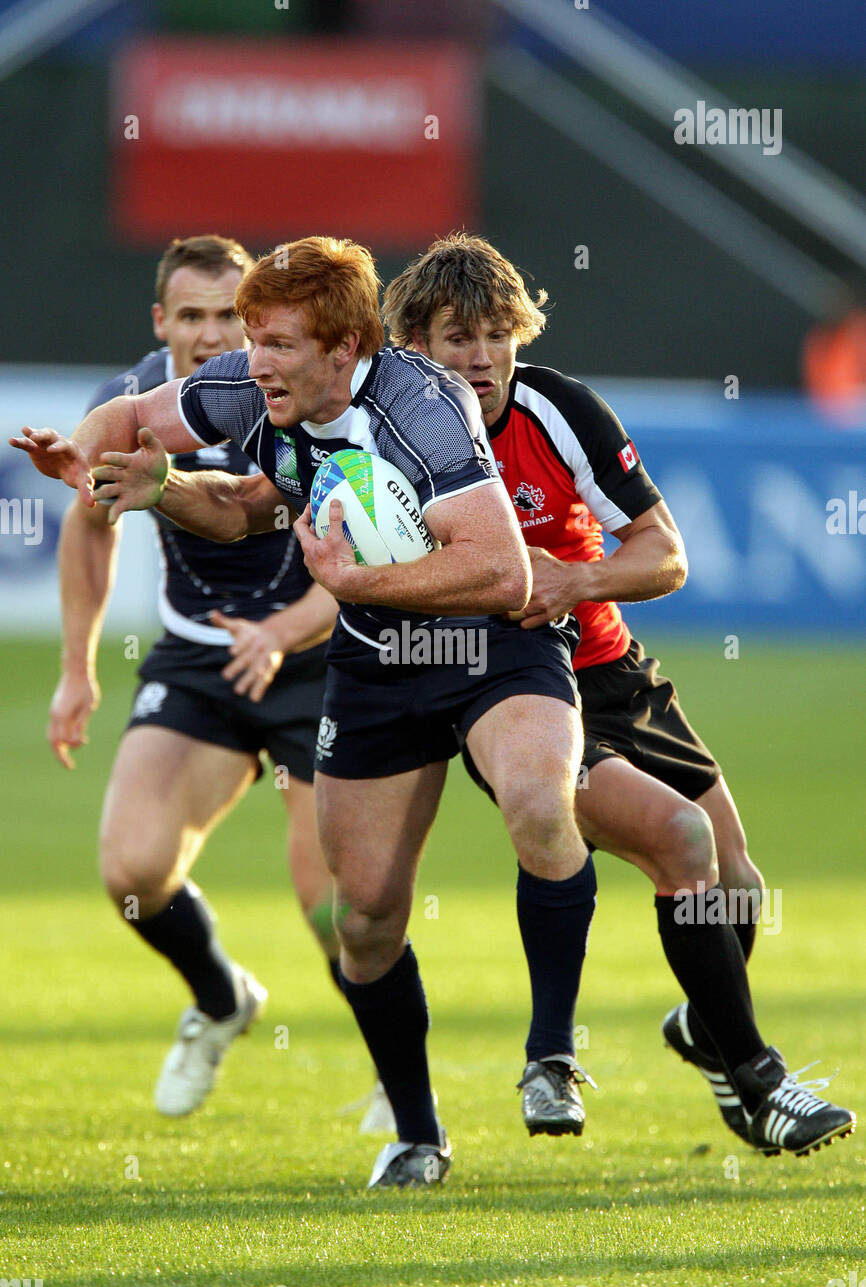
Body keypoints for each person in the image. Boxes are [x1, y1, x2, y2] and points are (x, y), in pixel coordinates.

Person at [13, 235, 600, 1189]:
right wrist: (108, 461)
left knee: (540, 802)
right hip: (373, 664)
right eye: (249, 335)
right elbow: (207, 476)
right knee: (361, 918)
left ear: (346, 347)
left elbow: (503, 570)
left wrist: (357, 578)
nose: (250, 358)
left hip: (487, 643)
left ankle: (550, 1053)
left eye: (275, 341)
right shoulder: (253, 386)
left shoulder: (422, 405)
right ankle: (418, 1134)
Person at [381, 232, 855, 1159]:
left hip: (617, 673)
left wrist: (577, 581)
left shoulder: (560, 410)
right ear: (414, 344)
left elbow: (664, 553)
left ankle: (707, 1032)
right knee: (681, 840)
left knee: (737, 884)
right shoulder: (395, 436)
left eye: (494, 335)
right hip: (517, 693)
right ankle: (759, 1079)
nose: (479, 358)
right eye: (453, 338)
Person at [45, 234, 338, 1119]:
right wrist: (76, 673)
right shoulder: (129, 406)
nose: (213, 337)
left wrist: (286, 632)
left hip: (319, 657)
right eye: (193, 317)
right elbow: (89, 527)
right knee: (134, 873)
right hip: (196, 655)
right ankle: (222, 1000)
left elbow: (360, 553)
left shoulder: (298, 394)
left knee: (339, 907)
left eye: (229, 317)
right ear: (160, 321)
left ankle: (400, 1087)